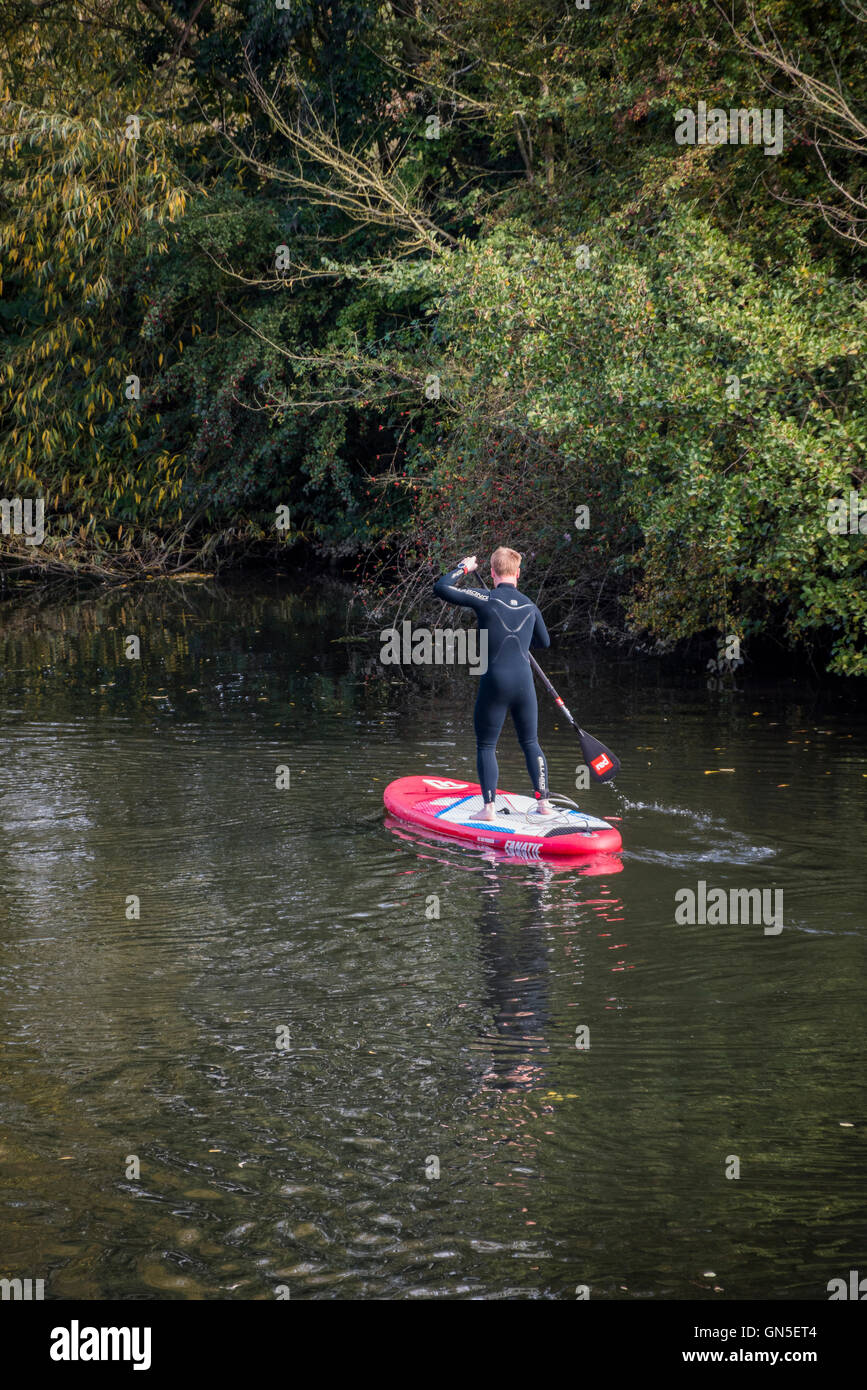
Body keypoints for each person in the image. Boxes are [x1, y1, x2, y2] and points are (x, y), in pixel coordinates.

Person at [433, 546, 554, 819]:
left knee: (487, 745)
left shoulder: (485, 598)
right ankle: (544, 804)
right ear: (518, 573)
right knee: (530, 742)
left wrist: (464, 568)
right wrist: (520, 641)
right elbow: (544, 642)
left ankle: (488, 809)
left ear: (492, 572)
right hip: (524, 683)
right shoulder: (531, 606)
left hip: (495, 681)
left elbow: (441, 588)